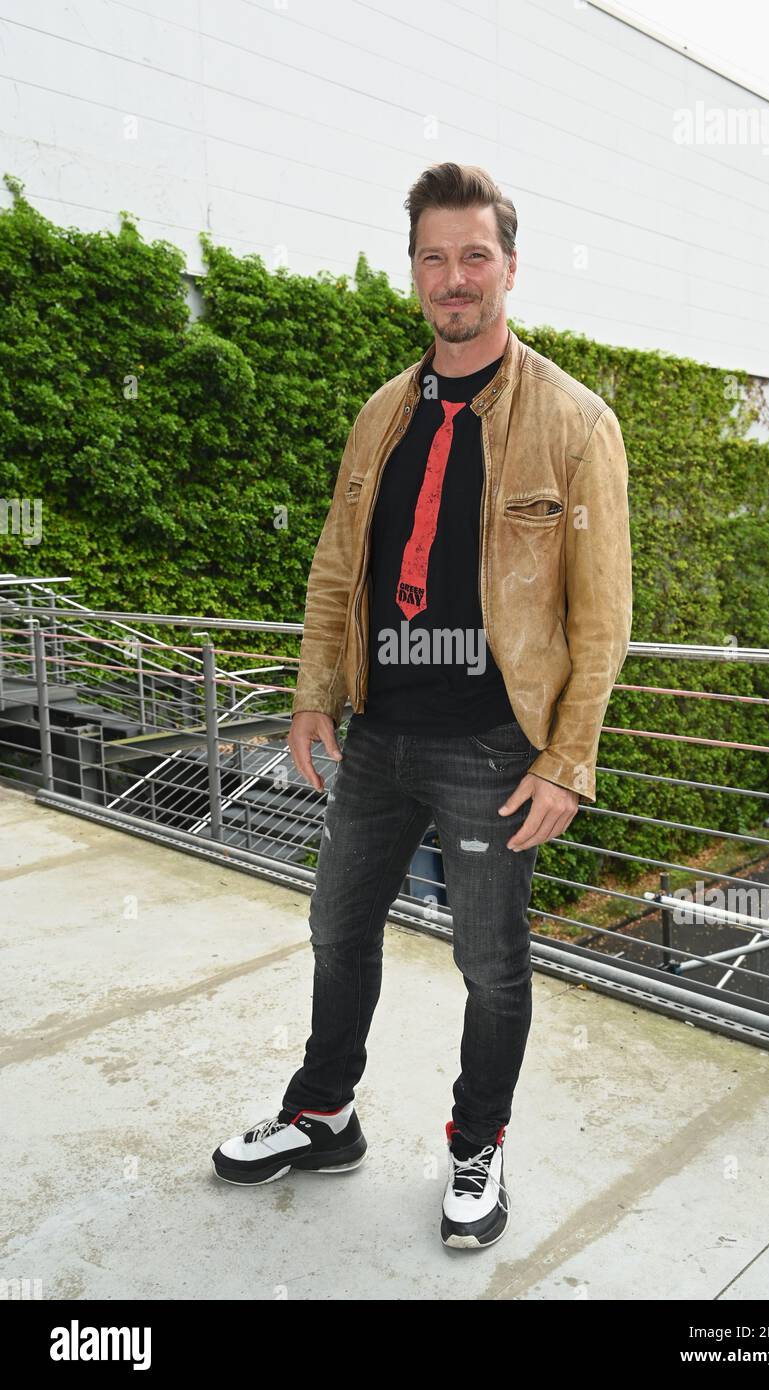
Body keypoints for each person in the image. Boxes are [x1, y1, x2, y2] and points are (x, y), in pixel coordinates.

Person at [213, 162, 633, 1251]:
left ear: (509, 267)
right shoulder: (380, 415)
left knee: (490, 965)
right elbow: (335, 566)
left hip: (495, 748)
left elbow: (603, 616)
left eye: (474, 257)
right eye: (435, 257)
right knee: (336, 926)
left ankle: (476, 1141)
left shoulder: (576, 424)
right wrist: (313, 696)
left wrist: (566, 758)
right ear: (414, 270)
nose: (454, 278)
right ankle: (324, 1112)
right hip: (379, 734)